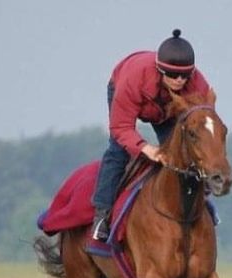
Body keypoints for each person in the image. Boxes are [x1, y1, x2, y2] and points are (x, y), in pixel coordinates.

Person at [91, 29, 212, 241]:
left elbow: (202, 126)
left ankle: (202, 207)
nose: (179, 80)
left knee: (183, 153)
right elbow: (121, 128)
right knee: (118, 151)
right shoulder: (133, 80)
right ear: (160, 70)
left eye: (185, 75)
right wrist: (147, 149)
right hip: (126, 90)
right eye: (173, 75)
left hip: (167, 107)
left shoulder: (197, 85)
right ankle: (101, 214)